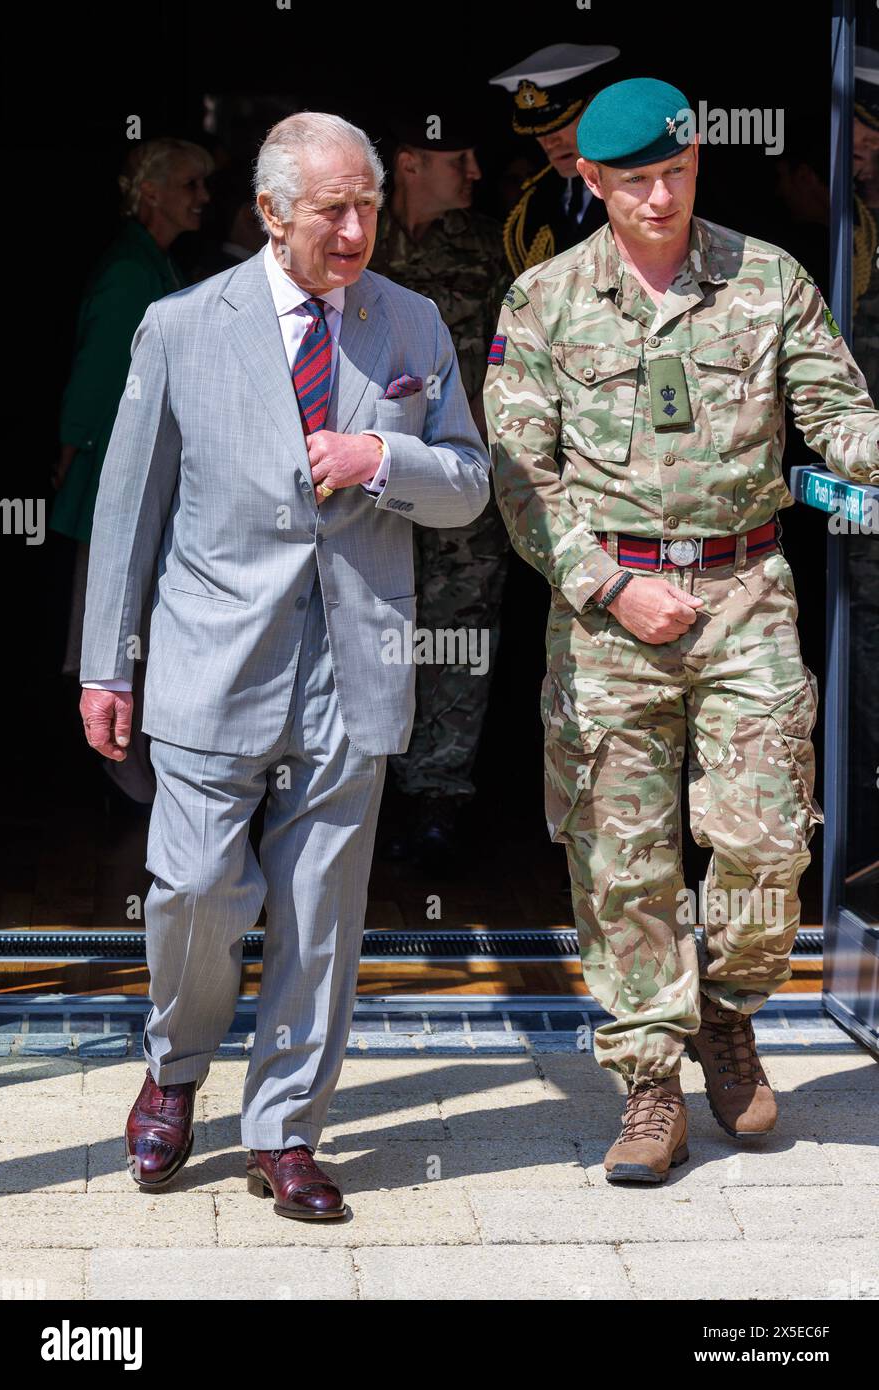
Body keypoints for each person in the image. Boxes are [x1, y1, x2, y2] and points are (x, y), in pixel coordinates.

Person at [79, 112, 489, 1217]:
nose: (358, 230)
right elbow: (129, 507)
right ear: (270, 214)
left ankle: (287, 1129)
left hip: (354, 663)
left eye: (367, 206)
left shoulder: (410, 322)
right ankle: (173, 1070)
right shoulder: (180, 325)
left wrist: (381, 457)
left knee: (321, 911)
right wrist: (106, 666)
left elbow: (467, 481)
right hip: (213, 661)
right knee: (196, 890)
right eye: (332, 211)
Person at [484, 77, 879, 1184]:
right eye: (632, 181)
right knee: (623, 857)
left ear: (699, 157)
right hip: (610, 616)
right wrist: (611, 588)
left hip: (746, 592)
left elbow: (836, 415)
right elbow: (526, 486)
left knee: (766, 843)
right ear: (591, 179)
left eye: (675, 172)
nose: (658, 198)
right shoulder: (544, 303)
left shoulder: (767, 280)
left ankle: (726, 1008)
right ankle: (649, 1081)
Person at [367, 111, 511, 865]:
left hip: (457, 475)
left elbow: (516, 363)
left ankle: (436, 800)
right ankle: (367, 788)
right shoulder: (354, 242)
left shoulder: (491, 250)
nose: (477, 173)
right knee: (364, 627)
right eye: (460, 158)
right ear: (412, 161)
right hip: (363, 482)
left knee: (457, 636)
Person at [52, 137, 213, 808]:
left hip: (150, 470)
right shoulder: (130, 269)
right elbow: (97, 379)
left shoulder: (156, 262)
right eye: (190, 185)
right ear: (151, 191)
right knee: (112, 622)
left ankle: (141, 771)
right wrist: (69, 451)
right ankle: (127, 772)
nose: (203, 198)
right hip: (118, 471)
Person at [489, 42, 619, 278]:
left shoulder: (648, 185)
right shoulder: (533, 200)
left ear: (597, 107)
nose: (549, 141)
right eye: (538, 129)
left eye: (559, 124)